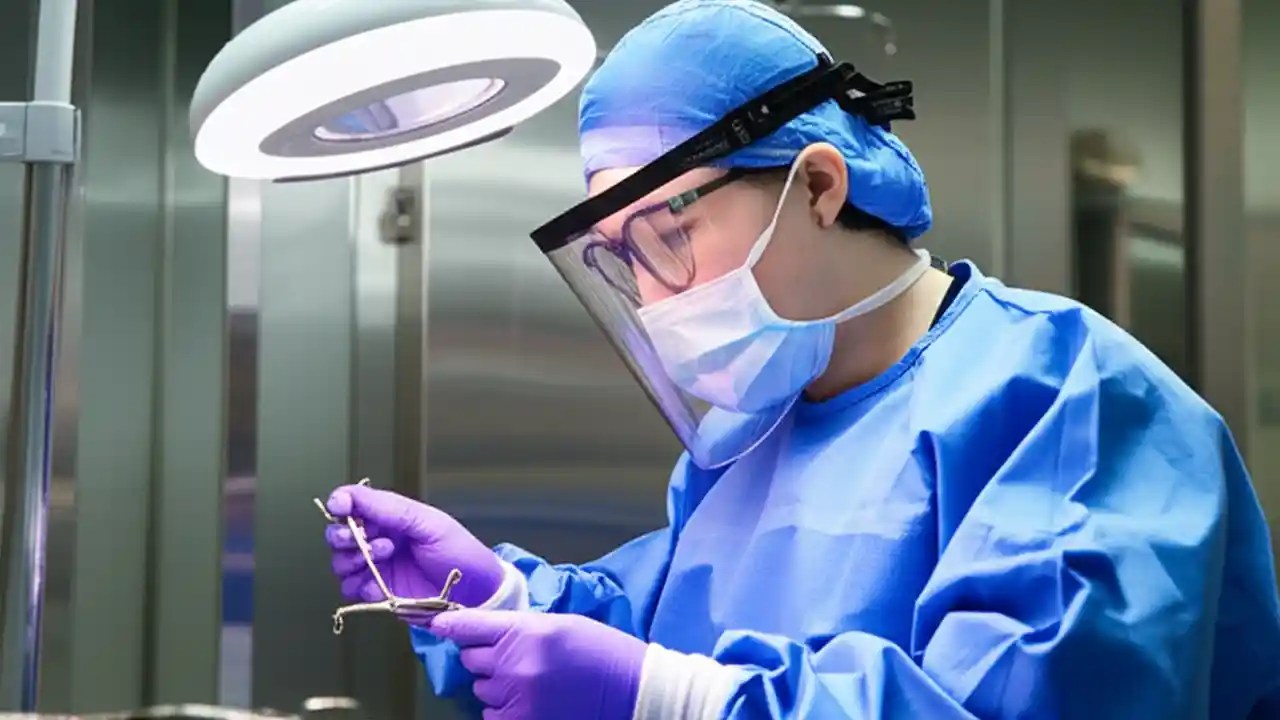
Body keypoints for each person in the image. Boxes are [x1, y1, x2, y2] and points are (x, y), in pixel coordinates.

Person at [322, 1, 1280, 717]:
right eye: (618, 259)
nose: (654, 296)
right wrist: (501, 600)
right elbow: (662, 640)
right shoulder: (748, 435)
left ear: (818, 185)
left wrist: (682, 705)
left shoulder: (1075, 400)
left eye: (665, 232)